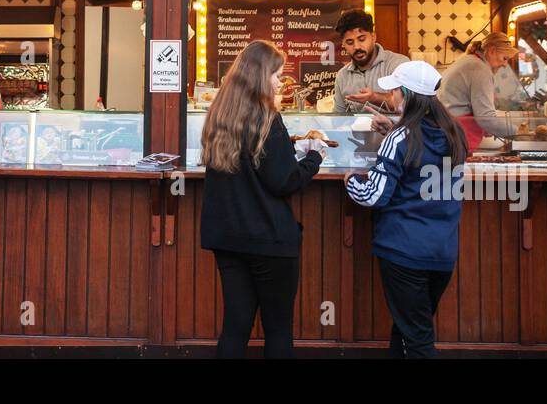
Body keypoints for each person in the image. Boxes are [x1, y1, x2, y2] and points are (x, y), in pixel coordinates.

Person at [200, 39, 324, 358]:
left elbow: (252, 164)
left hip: (228, 239)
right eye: (277, 75)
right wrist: (315, 156)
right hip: (269, 239)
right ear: (261, 76)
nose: (279, 82)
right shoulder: (267, 118)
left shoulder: (219, 116)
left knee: (236, 326)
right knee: (278, 328)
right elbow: (284, 180)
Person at [346, 60, 467, 358]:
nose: (392, 97)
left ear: (406, 94)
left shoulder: (400, 139)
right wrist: (395, 129)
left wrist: (350, 180)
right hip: (442, 250)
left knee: (417, 338)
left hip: (403, 250)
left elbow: (373, 196)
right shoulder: (455, 134)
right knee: (408, 329)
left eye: (395, 91)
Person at [438, 32, 518, 149]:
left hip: (447, 134)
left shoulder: (469, 61)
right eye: (504, 58)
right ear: (491, 51)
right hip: (456, 137)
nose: (505, 65)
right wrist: (519, 132)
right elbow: (486, 118)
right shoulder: (480, 69)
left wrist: (490, 127)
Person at [331, 10, 408, 114]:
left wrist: (375, 98)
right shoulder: (342, 76)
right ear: (343, 45)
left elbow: (412, 105)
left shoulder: (398, 64)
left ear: (373, 37)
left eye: (361, 39)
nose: (357, 47)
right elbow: (337, 119)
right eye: (350, 42)